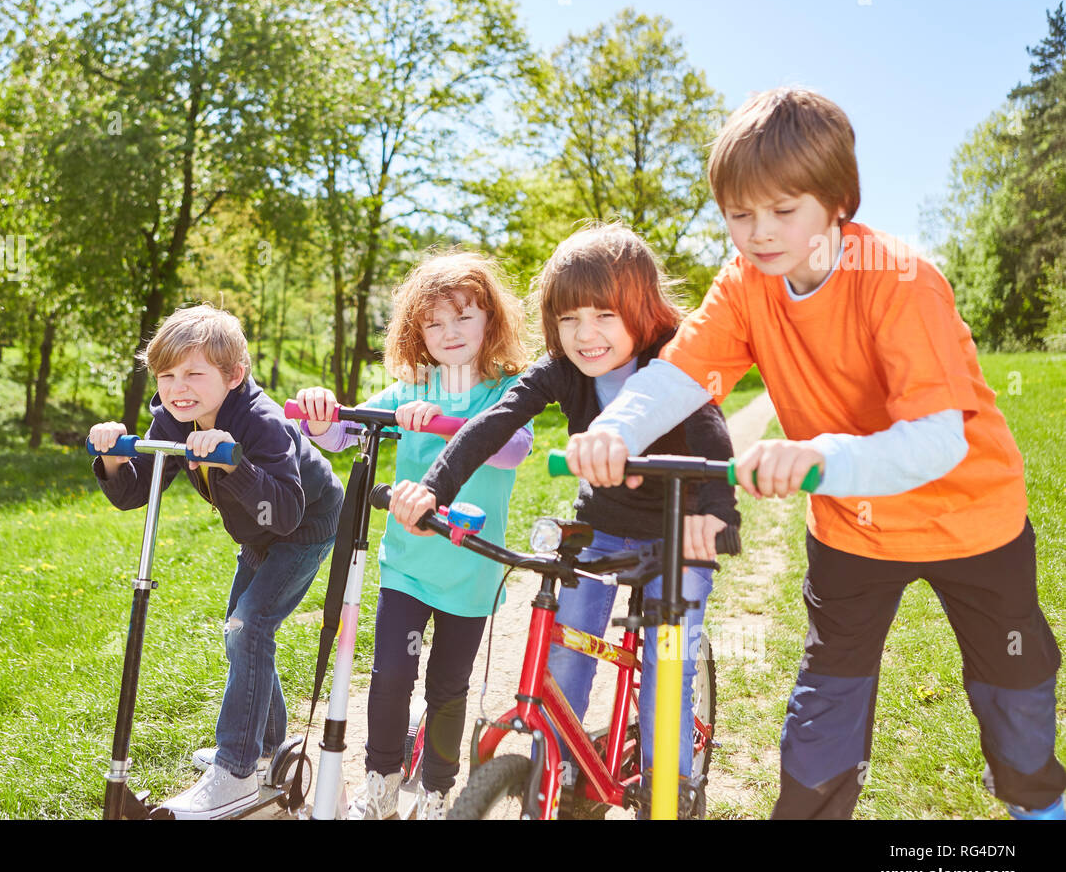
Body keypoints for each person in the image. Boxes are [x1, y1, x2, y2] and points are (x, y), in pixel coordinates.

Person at [567, 87, 1066, 819]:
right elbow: (679, 374)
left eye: (783, 209)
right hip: (854, 530)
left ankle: (1038, 804)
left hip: (972, 522)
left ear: (836, 201)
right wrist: (618, 428)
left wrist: (818, 455)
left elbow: (937, 438)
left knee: (1013, 692)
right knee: (826, 698)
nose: (759, 233)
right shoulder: (745, 285)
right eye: (740, 215)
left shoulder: (901, 280)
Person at [388, 222, 740, 803]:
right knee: (567, 649)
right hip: (602, 528)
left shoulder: (671, 365)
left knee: (666, 663)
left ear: (641, 311)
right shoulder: (561, 370)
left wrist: (716, 518)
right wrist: (433, 487)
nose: (586, 335)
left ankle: (667, 792)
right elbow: (492, 423)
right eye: (570, 319)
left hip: (682, 531)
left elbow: (712, 437)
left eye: (605, 316)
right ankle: (562, 777)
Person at [297, 251, 533, 819]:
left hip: (470, 571)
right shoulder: (409, 388)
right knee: (392, 673)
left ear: (490, 322)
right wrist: (322, 414)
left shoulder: (506, 390)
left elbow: (513, 447)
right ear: (416, 332)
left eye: (464, 318)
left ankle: (435, 793)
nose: (449, 333)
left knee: (447, 689)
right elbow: (344, 433)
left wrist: (454, 423)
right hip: (407, 564)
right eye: (434, 323)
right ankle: (379, 784)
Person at [88, 303, 343, 819]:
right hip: (256, 532)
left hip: (304, 527)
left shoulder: (262, 422)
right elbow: (138, 492)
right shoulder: (172, 419)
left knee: (250, 627)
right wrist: (115, 457)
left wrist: (233, 460)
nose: (179, 387)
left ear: (235, 375)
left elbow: (288, 514)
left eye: (194, 374)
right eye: (167, 375)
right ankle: (268, 743)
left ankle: (235, 770)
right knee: (239, 630)